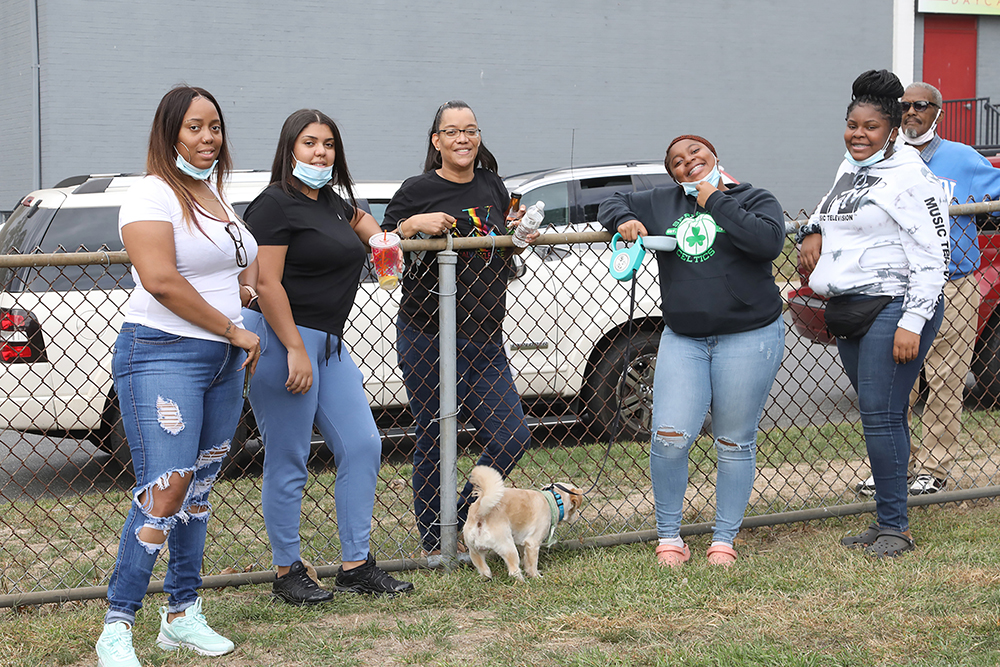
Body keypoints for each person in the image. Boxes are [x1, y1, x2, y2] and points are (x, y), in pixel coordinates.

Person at [96, 86, 260, 666]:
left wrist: (242, 295)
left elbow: (241, 263)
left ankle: (182, 616)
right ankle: (117, 627)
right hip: (162, 352)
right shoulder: (150, 194)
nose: (207, 138)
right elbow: (162, 280)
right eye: (194, 127)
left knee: (200, 489)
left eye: (214, 127)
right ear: (169, 133)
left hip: (219, 361)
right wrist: (235, 328)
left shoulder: (214, 195)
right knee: (165, 488)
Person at [242, 109, 413, 602]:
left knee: (363, 445)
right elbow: (266, 282)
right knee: (289, 457)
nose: (320, 153)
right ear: (289, 149)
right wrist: (293, 348)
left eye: (329, 144)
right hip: (282, 341)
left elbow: (367, 227)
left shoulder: (336, 204)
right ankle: (285, 572)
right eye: (309, 143)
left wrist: (383, 238)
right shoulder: (274, 204)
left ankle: (356, 565)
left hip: (330, 345)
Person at [599, 134, 786, 568]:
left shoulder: (753, 197)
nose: (689, 163)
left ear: (715, 156)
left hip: (750, 334)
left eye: (696, 154)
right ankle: (669, 538)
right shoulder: (662, 202)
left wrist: (714, 201)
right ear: (672, 174)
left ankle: (724, 540)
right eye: (677, 162)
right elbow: (610, 200)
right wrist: (625, 220)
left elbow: (767, 243)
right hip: (685, 337)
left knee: (734, 441)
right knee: (668, 438)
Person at [797, 70, 950, 557]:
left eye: (870, 127)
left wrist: (913, 321)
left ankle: (895, 528)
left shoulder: (910, 176)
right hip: (851, 308)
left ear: (891, 130)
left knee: (880, 417)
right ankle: (888, 517)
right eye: (851, 124)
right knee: (883, 417)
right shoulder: (852, 169)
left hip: (896, 305)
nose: (858, 134)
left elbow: (933, 255)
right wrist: (812, 231)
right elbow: (827, 209)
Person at [381, 100, 537, 564]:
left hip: (485, 335)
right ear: (436, 141)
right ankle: (435, 541)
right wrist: (410, 224)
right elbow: (384, 242)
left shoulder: (491, 182)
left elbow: (504, 240)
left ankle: (461, 513)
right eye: (451, 132)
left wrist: (515, 227)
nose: (462, 139)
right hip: (428, 334)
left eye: (470, 130)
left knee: (511, 435)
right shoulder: (417, 188)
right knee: (434, 434)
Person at [856, 81, 1000, 497]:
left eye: (921, 105)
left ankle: (932, 468)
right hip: (895, 286)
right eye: (904, 105)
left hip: (953, 284)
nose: (911, 111)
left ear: (938, 112)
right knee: (896, 381)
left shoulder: (963, 158)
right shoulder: (882, 159)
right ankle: (891, 466)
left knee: (945, 377)